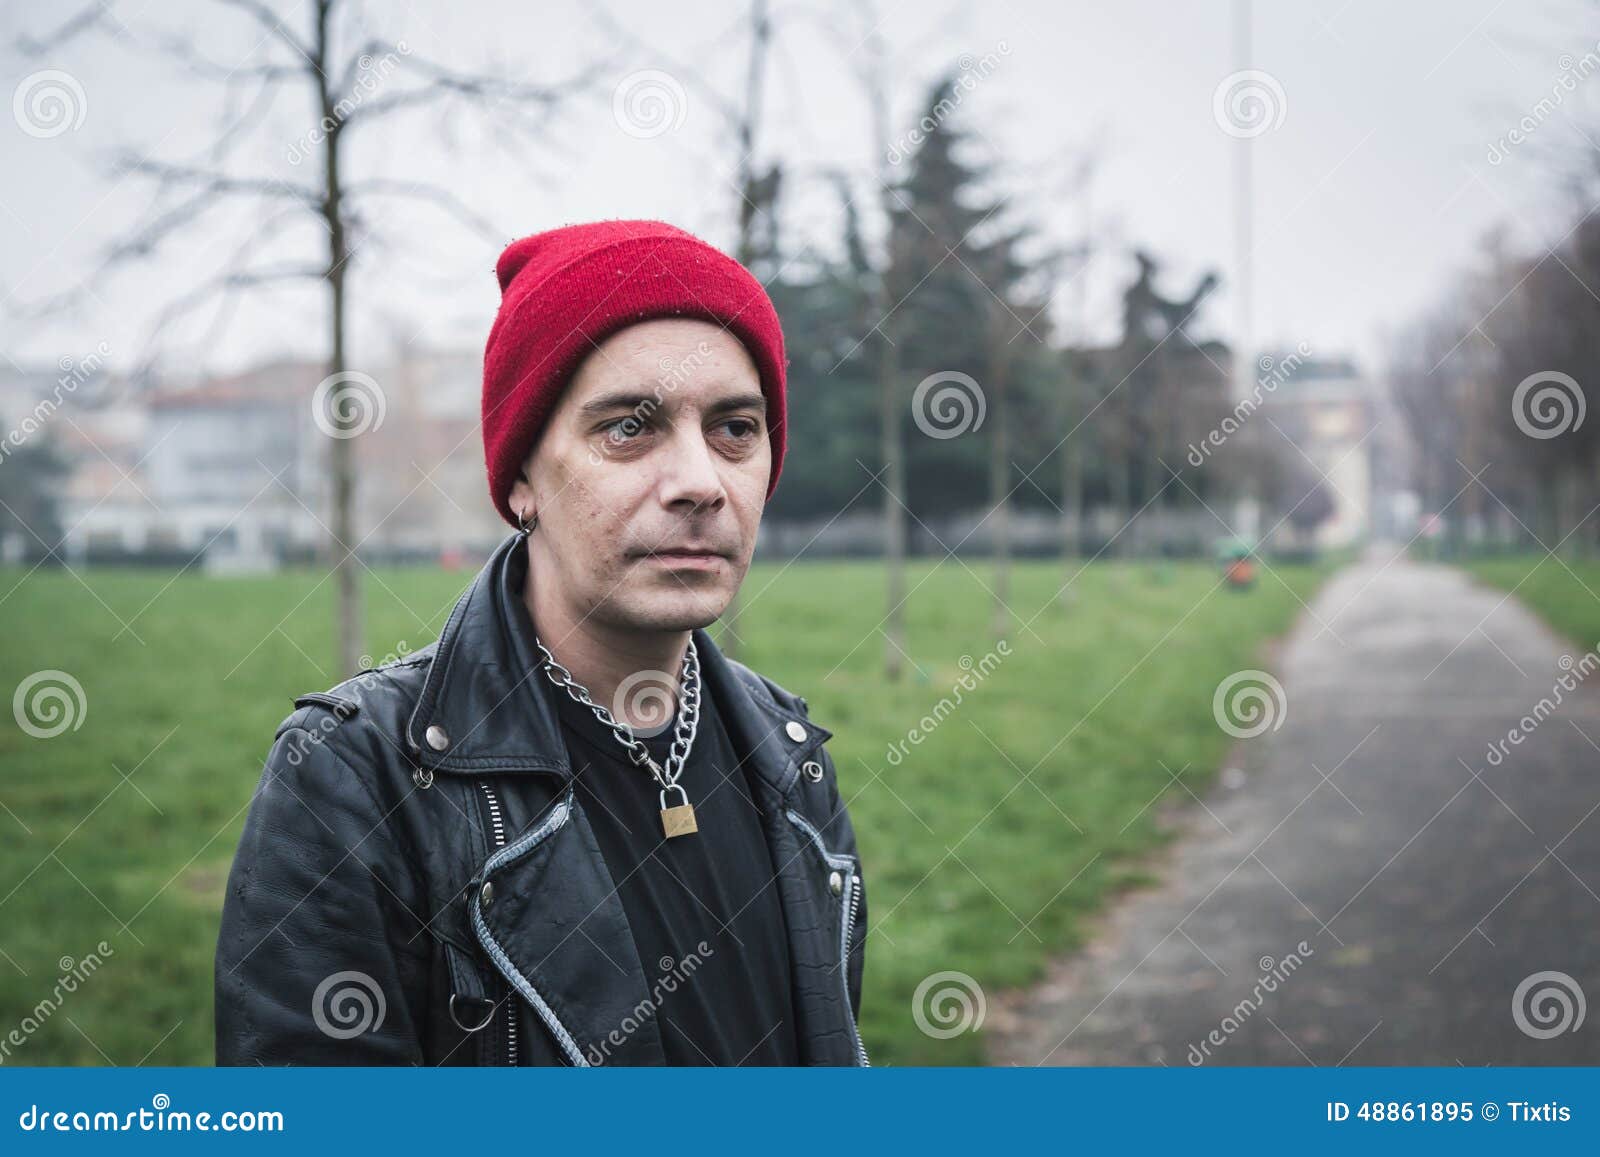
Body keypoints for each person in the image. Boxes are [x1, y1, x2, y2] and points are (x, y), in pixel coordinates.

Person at [214, 220, 869, 1067]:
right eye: (630, 428)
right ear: (522, 476)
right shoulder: (356, 778)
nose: (701, 482)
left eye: (734, 428)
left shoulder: (790, 756)